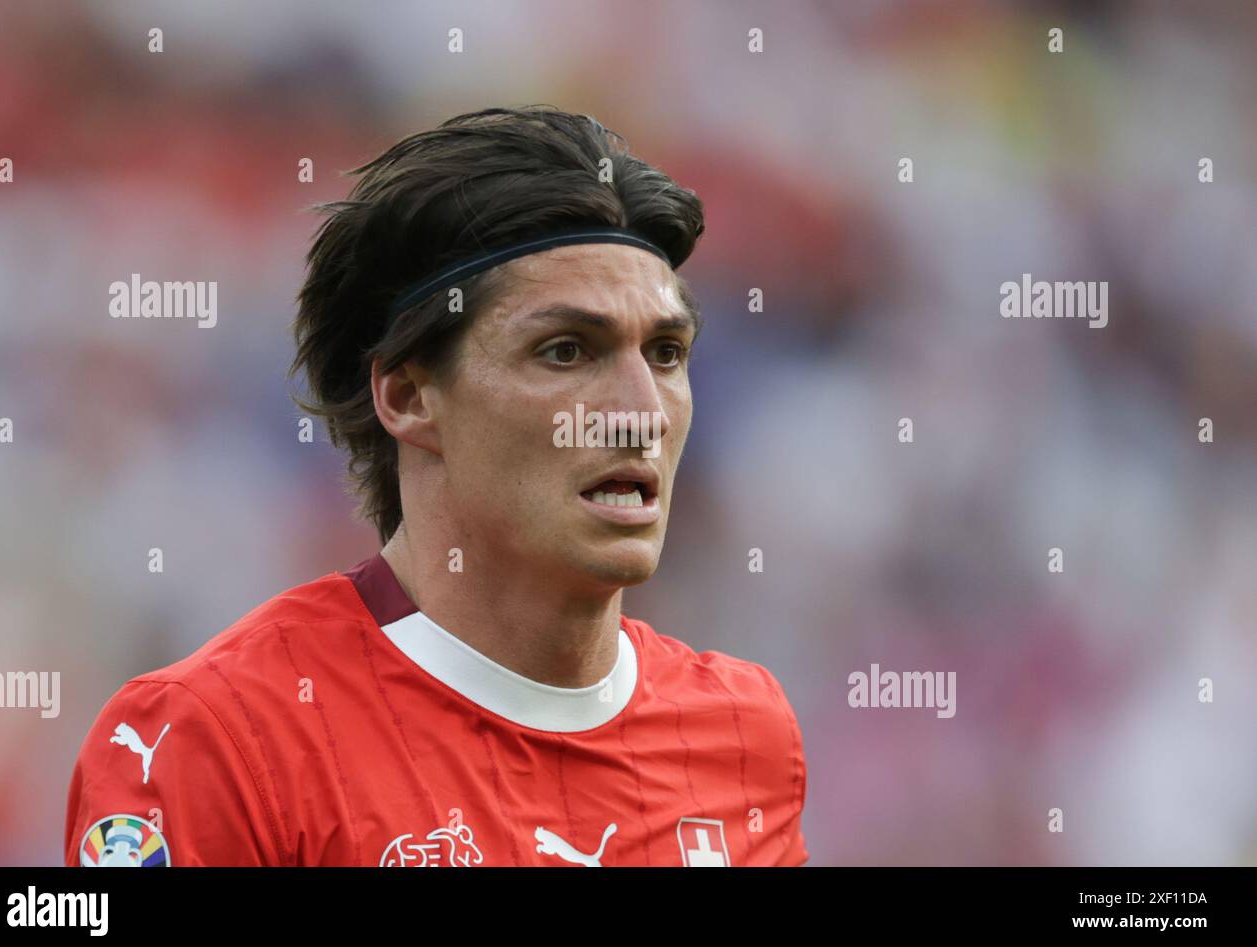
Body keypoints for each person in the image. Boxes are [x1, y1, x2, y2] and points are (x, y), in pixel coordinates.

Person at [64, 105, 808, 866]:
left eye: (665, 352)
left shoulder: (744, 733)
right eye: (564, 351)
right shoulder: (214, 737)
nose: (639, 413)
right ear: (409, 397)